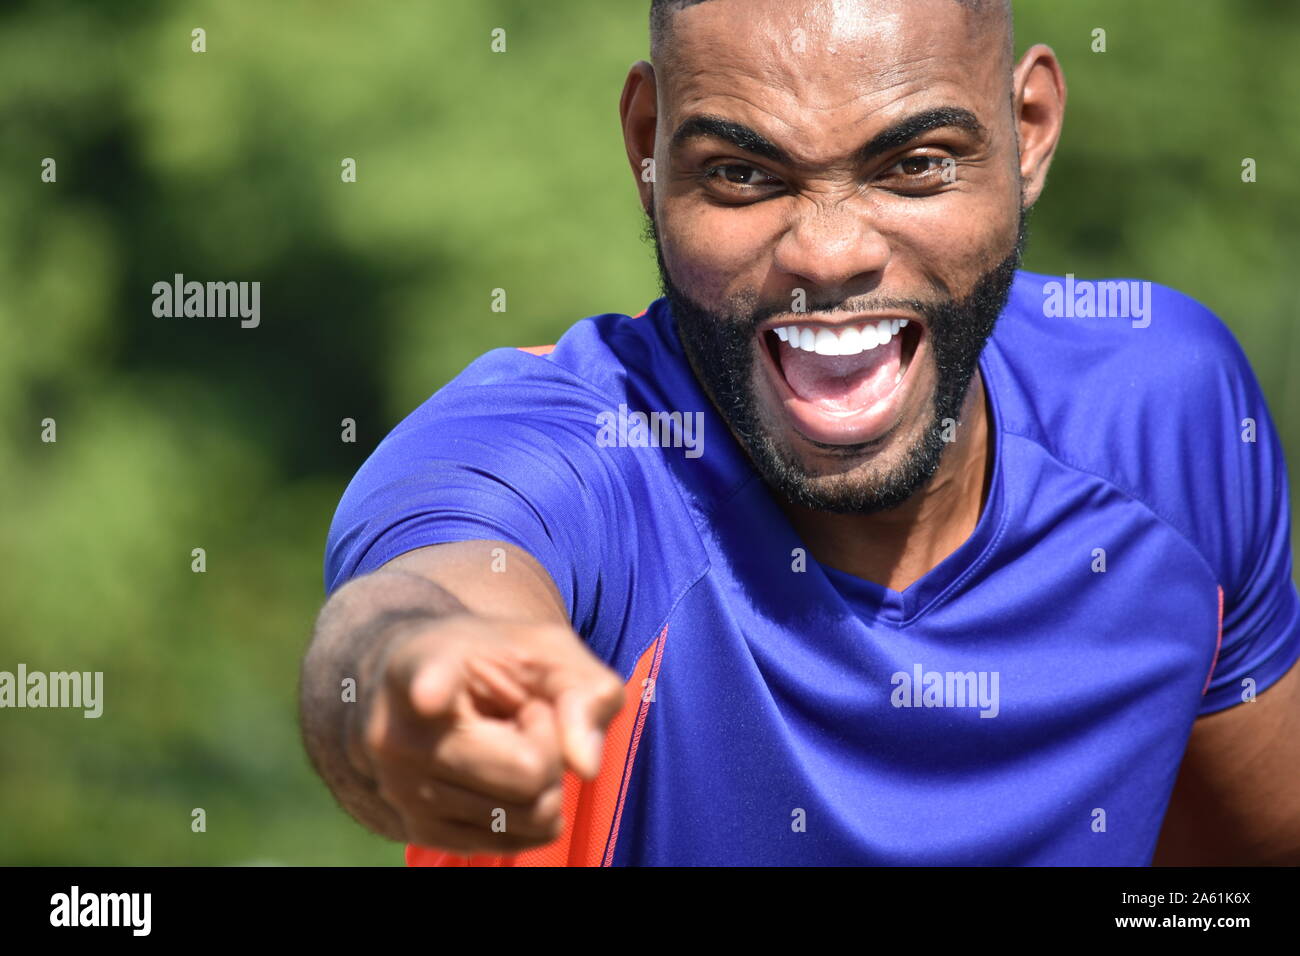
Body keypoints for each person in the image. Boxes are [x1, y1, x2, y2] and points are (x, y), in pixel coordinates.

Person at [299, 0, 1300, 865]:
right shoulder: (582, 448)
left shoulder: (1167, 417)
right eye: (743, 174)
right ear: (646, 145)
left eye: (914, 164)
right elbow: (420, 587)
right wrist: (399, 673)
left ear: (1027, 128)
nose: (827, 253)